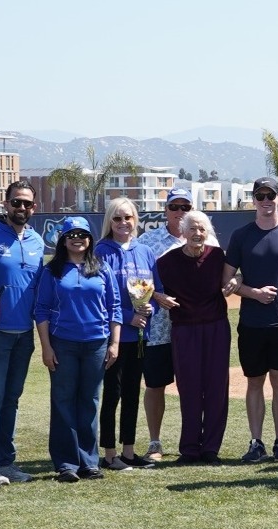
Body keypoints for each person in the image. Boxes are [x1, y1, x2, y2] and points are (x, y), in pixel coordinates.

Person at [223, 175, 278, 464]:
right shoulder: (241, 236)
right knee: (254, 382)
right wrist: (253, 293)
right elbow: (226, 281)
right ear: (253, 200)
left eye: (270, 195)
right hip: (251, 323)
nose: (265, 201)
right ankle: (256, 442)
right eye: (260, 196)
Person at [34, 216, 121, 483]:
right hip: (63, 343)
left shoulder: (102, 268)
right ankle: (66, 463)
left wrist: (115, 343)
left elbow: (114, 307)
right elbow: (41, 310)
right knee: (63, 401)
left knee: (89, 401)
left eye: (82, 234)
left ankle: (89, 462)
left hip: (97, 343)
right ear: (62, 240)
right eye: (71, 235)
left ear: (90, 239)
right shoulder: (52, 271)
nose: (77, 239)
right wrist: (46, 347)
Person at [0, 181, 45, 484]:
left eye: (27, 203)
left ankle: (6, 462)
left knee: (11, 399)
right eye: (16, 202)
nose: (21, 208)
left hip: (24, 334)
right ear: (5, 204)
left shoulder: (37, 241)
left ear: (34, 208)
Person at [157, 210, 236, 464]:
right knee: (189, 388)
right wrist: (158, 296)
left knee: (216, 388)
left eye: (202, 229)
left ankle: (211, 448)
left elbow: (235, 275)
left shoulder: (217, 256)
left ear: (208, 232)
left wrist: (237, 280)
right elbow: (147, 286)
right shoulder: (167, 262)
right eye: (192, 228)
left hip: (216, 327)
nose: (197, 233)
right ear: (183, 231)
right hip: (185, 329)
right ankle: (190, 448)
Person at [95, 197, 158, 470]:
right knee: (112, 394)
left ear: (136, 220)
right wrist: (127, 317)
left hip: (140, 337)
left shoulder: (145, 251)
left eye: (128, 217)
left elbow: (156, 291)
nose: (123, 223)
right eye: (117, 218)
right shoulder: (100, 251)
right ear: (109, 221)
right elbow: (99, 298)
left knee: (132, 394)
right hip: (114, 337)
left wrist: (150, 309)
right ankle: (110, 454)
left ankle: (129, 452)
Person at [137, 186, 190, 461]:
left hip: (191, 326)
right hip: (158, 327)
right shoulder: (148, 241)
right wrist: (157, 295)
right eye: (174, 207)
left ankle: (190, 441)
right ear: (165, 210)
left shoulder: (202, 236)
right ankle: (155, 442)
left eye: (185, 207)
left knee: (191, 385)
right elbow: (136, 279)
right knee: (155, 384)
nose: (180, 212)